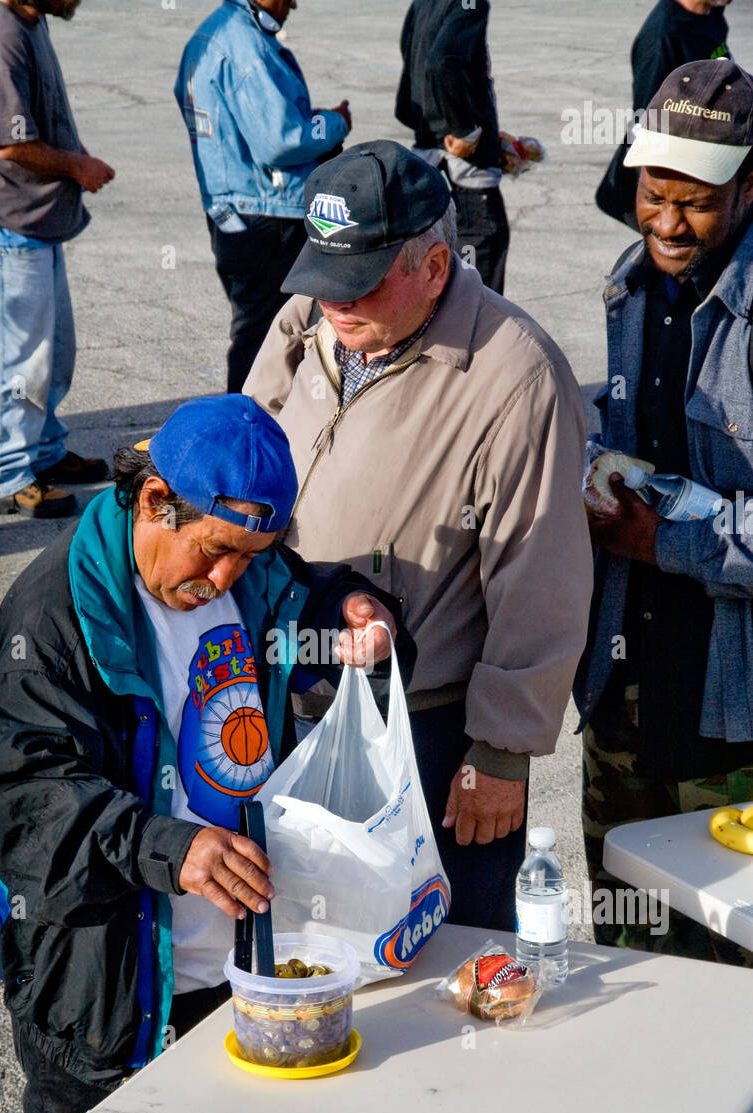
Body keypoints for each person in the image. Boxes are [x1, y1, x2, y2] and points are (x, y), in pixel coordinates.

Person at [0, 394, 410, 1113]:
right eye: (213, 550)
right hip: (106, 995)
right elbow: (24, 802)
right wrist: (167, 848)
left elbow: (308, 595)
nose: (227, 577)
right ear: (154, 501)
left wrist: (358, 614)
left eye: (251, 555)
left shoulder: (251, 582)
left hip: (242, 977)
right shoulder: (54, 615)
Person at [244, 141, 592, 934]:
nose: (333, 303)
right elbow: (251, 447)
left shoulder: (517, 375)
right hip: (282, 695)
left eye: (357, 282)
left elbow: (544, 577)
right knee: (306, 949)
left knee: (442, 964)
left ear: (434, 268)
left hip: (423, 734)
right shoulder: (312, 321)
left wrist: (501, 754)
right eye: (321, 276)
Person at [575, 60, 753, 967]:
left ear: (751, 185)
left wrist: (666, 540)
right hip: (624, 690)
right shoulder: (632, 280)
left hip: (732, 715)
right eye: (654, 191)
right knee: (627, 961)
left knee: (727, 976)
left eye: (698, 203)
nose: (668, 223)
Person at [0, 0, 115, 520]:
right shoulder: (2, 33)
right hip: (7, 226)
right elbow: (9, 143)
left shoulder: (30, 19)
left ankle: (42, 454)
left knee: (52, 354)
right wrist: (79, 166)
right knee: (15, 361)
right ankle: (5, 475)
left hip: (36, 223)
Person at [175, 0, 351, 392]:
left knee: (260, 328)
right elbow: (281, 141)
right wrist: (335, 123)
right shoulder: (244, 43)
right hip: (265, 215)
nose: (293, 4)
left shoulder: (216, 32)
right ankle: (250, 436)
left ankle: (255, 430)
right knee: (268, 336)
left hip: (234, 207)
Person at [395, 0, 509, 293]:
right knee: (476, 292)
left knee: (438, 282)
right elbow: (442, 61)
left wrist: (489, 137)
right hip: (465, 180)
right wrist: (465, 131)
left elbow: (411, 63)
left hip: (429, 166)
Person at [596, 0, 732, 227]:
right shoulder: (662, 37)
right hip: (674, 176)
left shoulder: (711, 13)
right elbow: (649, 121)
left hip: (708, 159)